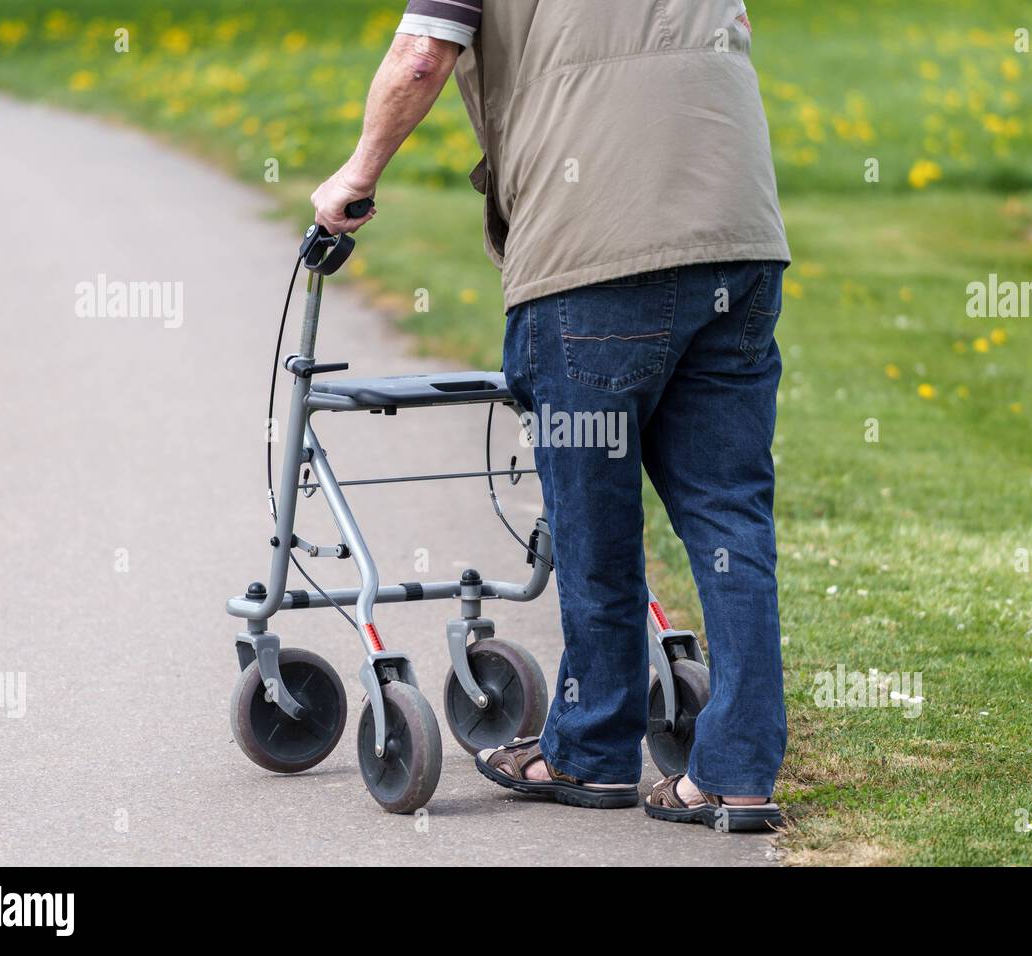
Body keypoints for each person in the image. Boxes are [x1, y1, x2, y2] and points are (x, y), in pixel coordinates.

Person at [312, 0, 789, 831]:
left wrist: (357, 174)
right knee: (729, 516)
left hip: (593, 256)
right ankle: (738, 775)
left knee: (593, 517)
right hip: (740, 240)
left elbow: (422, 56)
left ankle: (590, 751)